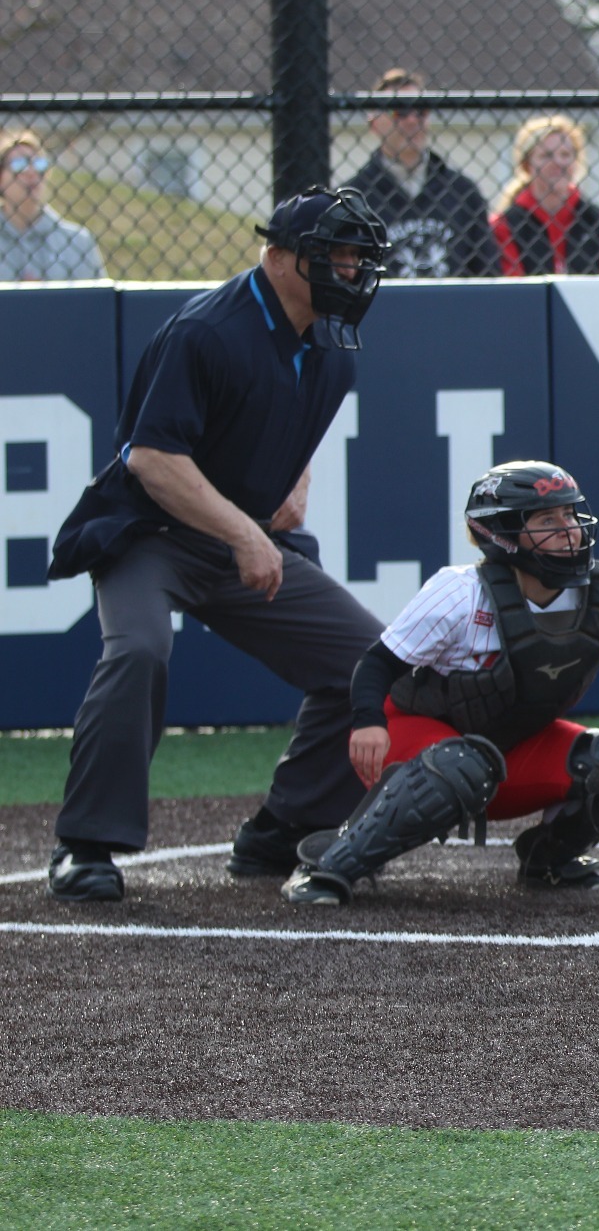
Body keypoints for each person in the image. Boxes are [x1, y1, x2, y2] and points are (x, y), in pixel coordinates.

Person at [42, 188, 394, 901]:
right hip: (153, 531)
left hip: (246, 538)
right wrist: (244, 531)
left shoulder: (333, 350)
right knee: (138, 650)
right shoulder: (206, 330)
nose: (352, 270)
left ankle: (278, 830)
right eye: (337, 254)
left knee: (370, 666)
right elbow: (152, 459)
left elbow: (291, 424)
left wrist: (290, 485)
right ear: (278, 257)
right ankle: (84, 846)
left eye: (360, 257)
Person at [281, 460, 599, 905]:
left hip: (501, 752)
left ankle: (549, 862)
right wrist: (367, 723)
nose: (568, 529)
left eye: (570, 515)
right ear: (502, 533)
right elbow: (376, 664)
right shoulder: (458, 592)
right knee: (461, 763)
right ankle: (329, 868)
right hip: (415, 742)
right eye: (547, 519)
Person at [342, 68, 501, 279]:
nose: (412, 121)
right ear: (374, 123)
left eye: (421, 111)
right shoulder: (353, 198)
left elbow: (487, 270)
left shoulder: (462, 191)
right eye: (399, 111)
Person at [490, 115, 599, 276]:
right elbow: (513, 290)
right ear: (527, 164)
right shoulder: (504, 225)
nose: (558, 162)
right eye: (546, 155)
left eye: (565, 154)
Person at [0, 128, 105, 282]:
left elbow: (97, 302)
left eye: (39, 164)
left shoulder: (77, 241)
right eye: (20, 164)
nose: (31, 172)